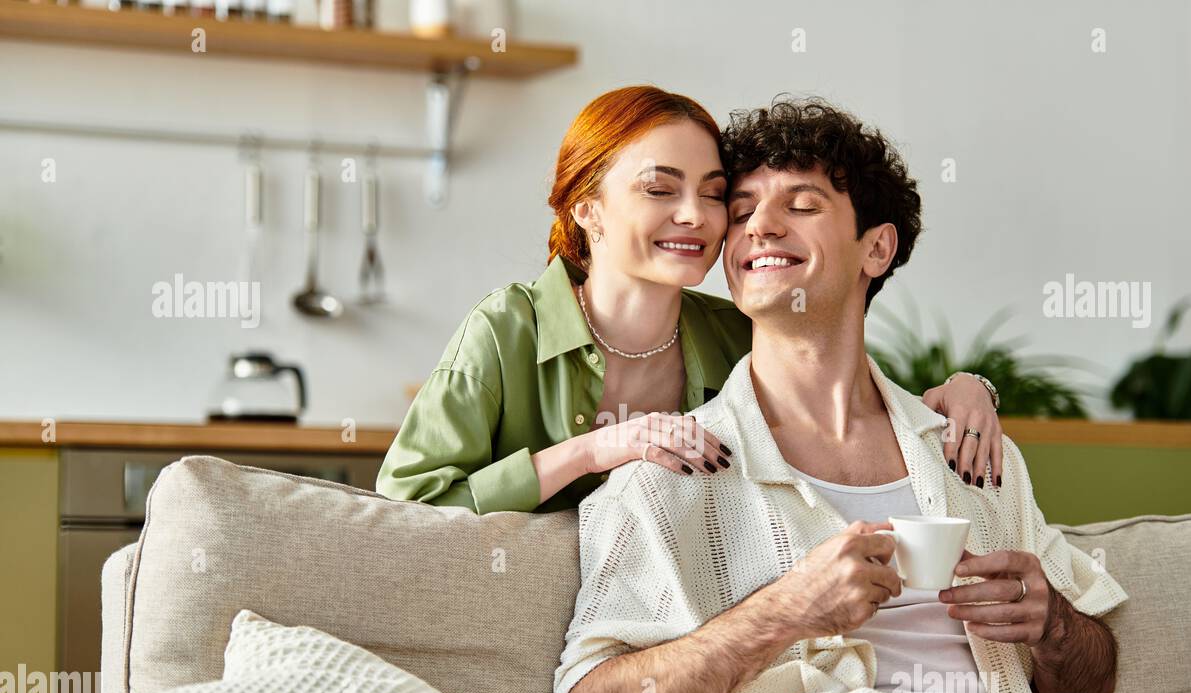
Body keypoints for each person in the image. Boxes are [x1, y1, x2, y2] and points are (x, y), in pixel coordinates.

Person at [551, 97, 1191, 693]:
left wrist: (1053, 627)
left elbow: (1087, 684)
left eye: (800, 206)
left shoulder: (969, 458)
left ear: (877, 249)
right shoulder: (672, 476)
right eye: (739, 212)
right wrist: (784, 612)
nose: (759, 227)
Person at [376, 86, 1004, 514]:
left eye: (711, 194)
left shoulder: (734, 333)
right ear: (587, 209)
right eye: (659, 189)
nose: (694, 217)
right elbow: (407, 508)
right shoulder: (506, 328)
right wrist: (593, 450)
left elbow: (853, 410)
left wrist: (967, 389)